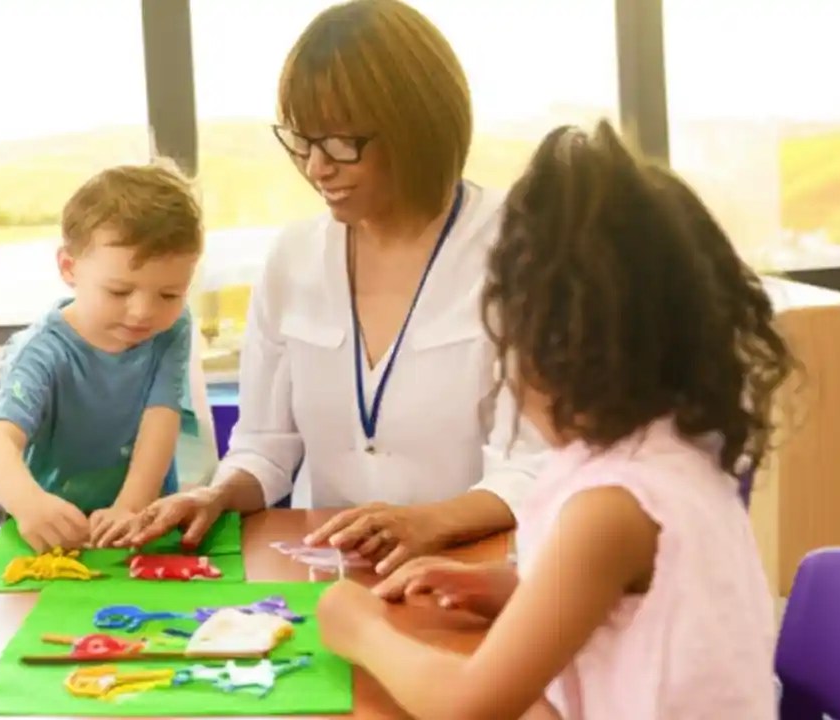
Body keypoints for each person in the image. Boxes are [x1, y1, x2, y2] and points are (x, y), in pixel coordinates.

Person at [316, 120, 790, 718]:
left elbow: (469, 705)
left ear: (552, 344)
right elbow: (636, 606)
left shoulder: (614, 505)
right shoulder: (676, 452)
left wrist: (359, 629)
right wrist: (519, 591)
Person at [122, 0, 544, 573]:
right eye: (302, 141)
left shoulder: (520, 251)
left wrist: (429, 522)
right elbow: (265, 447)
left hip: (477, 573)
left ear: (415, 126)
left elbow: (537, 464)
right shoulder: (294, 258)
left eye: (341, 143)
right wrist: (216, 496)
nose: (317, 167)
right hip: (327, 574)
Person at [0, 162, 203, 552]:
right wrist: (30, 506)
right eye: (119, 292)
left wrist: (129, 507)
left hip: (135, 529)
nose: (143, 312)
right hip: (52, 536)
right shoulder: (41, 350)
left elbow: (160, 418)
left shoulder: (172, 326)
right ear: (69, 267)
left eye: (169, 294)